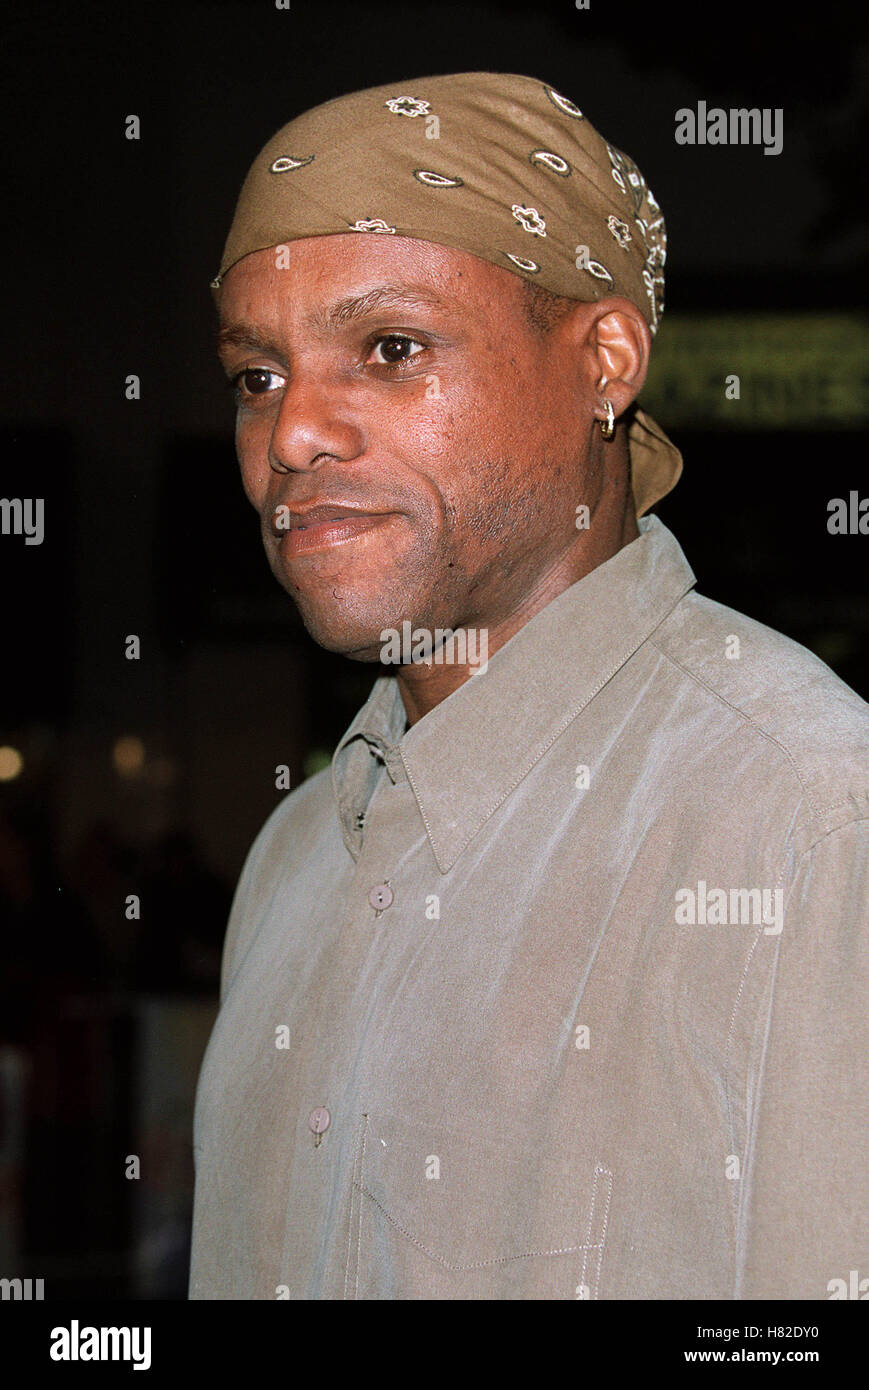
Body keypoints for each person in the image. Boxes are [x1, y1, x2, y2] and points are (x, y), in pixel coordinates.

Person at [189, 71, 869, 1300]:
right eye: (256, 376)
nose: (291, 435)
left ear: (604, 359)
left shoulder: (808, 830)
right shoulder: (296, 856)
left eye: (389, 350)